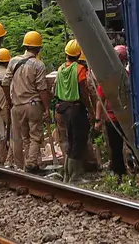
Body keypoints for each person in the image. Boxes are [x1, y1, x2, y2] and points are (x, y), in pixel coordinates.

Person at [9, 31, 51, 173]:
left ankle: (29, 163)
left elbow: (6, 82)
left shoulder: (13, 61)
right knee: (36, 136)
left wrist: (10, 100)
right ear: (38, 48)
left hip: (17, 106)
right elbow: (42, 89)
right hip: (33, 104)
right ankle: (32, 164)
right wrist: (46, 108)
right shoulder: (38, 65)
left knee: (25, 137)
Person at [54, 40, 92, 182]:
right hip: (76, 109)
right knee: (78, 141)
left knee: (70, 140)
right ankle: (75, 176)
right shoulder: (80, 69)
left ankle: (66, 175)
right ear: (78, 54)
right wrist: (90, 108)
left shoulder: (61, 69)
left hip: (62, 109)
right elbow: (83, 91)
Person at [94, 44, 130, 177]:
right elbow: (100, 100)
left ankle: (121, 172)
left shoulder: (113, 77)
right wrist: (98, 119)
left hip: (118, 118)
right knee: (120, 147)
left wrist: (98, 119)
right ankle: (120, 172)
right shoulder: (120, 77)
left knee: (119, 148)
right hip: (119, 118)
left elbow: (100, 100)